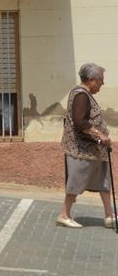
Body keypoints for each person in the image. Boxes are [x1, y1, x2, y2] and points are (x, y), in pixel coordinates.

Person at [57, 63, 115, 229]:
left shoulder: (85, 94)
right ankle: (64, 214)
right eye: (101, 80)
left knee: (103, 181)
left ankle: (109, 215)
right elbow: (79, 121)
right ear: (91, 80)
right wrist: (100, 135)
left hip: (94, 149)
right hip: (80, 149)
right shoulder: (81, 95)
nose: (102, 83)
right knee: (76, 182)